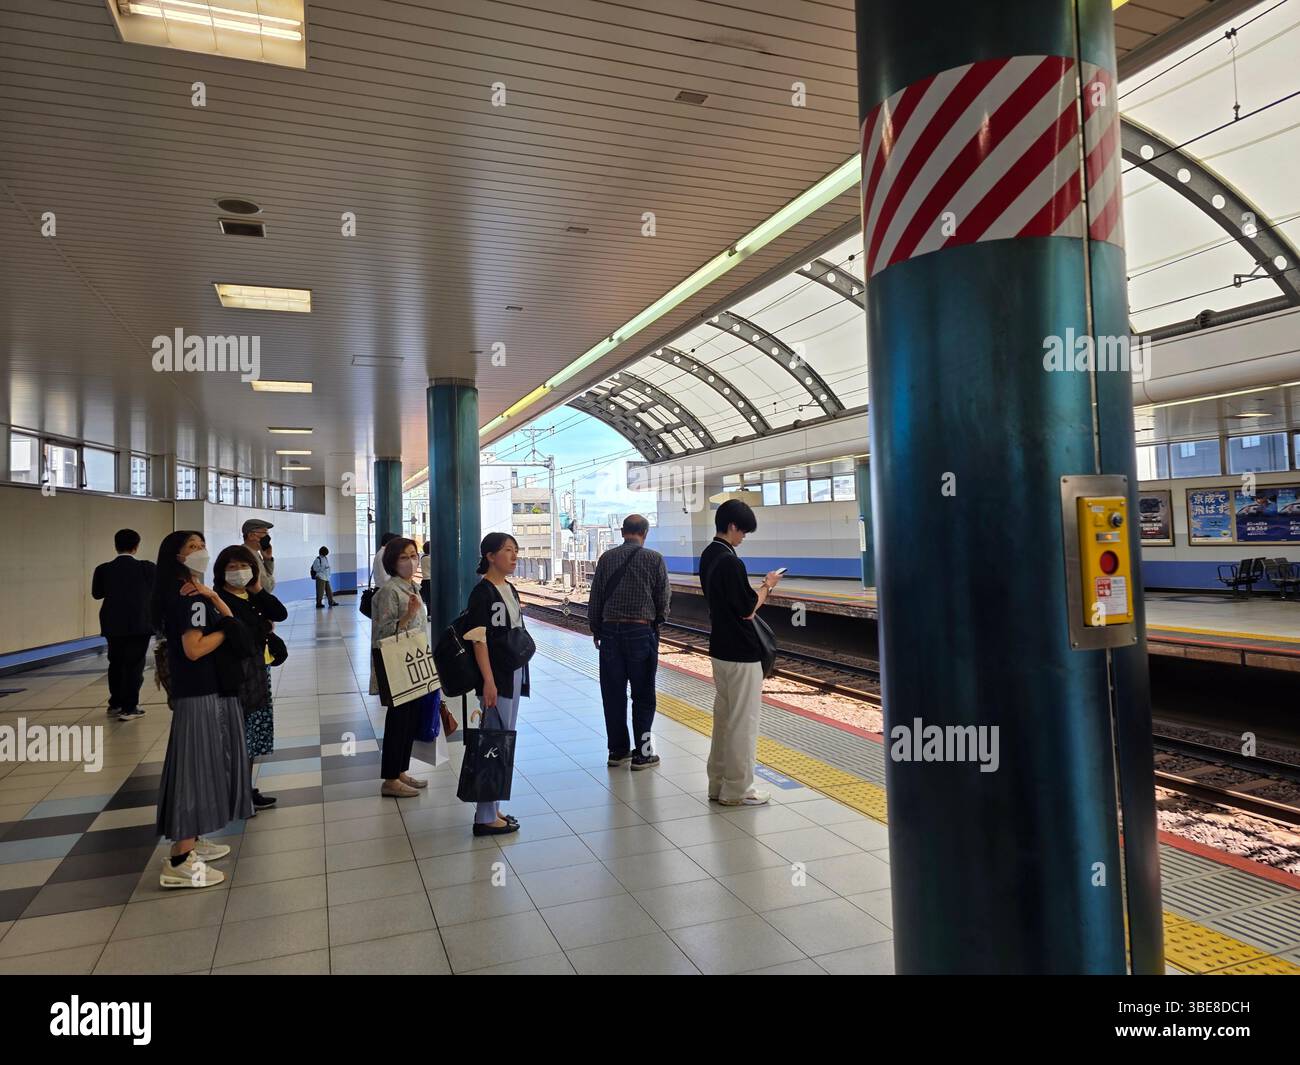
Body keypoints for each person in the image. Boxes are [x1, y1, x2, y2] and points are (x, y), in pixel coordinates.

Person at [152, 531, 254, 888]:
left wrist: (215, 600)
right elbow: (194, 648)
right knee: (196, 769)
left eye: (201, 544)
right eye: (192, 547)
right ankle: (180, 859)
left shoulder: (199, 594)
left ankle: (191, 840)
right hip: (199, 692)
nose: (201, 551)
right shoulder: (188, 600)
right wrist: (227, 630)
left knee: (206, 763)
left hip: (209, 690)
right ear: (177, 557)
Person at [698, 500, 783, 807]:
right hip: (741, 654)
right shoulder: (731, 562)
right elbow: (747, 609)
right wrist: (767, 586)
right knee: (743, 723)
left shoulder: (708, 555)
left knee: (724, 719)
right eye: (743, 531)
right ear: (732, 526)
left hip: (719, 650)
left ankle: (717, 782)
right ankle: (738, 789)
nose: (743, 537)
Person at [588, 514, 670, 770]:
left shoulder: (606, 558)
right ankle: (643, 754)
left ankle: (617, 750)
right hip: (640, 632)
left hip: (610, 632)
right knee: (643, 694)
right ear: (645, 532)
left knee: (612, 694)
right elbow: (663, 598)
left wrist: (597, 630)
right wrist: (656, 624)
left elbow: (596, 597)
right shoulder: (654, 559)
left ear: (623, 532)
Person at [463, 532, 529, 837]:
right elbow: (479, 639)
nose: (514, 556)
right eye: (507, 551)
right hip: (497, 677)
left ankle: (492, 807)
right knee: (493, 740)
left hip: (513, 672)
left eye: (515, 551)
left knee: (502, 738)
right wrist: (487, 681)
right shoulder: (483, 593)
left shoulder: (509, 588)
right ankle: (485, 817)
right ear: (490, 556)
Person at [215, 544, 287, 814]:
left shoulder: (252, 595)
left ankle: (245, 788)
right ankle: (235, 792)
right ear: (221, 572)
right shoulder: (219, 599)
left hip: (258, 671)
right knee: (238, 735)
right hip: (235, 675)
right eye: (231, 567)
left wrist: (257, 589)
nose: (238, 572)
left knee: (252, 734)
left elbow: (280, 613)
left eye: (243, 566)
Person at [369, 536, 429, 797]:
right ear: (392, 561)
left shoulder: (411, 587)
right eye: (404, 557)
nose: (411, 561)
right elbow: (381, 632)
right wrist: (406, 617)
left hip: (413, 661)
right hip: (396, 664)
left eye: (413, 555)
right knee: (398, 721)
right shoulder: (389, 591)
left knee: (409, 719)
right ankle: (390, 779)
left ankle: (401, 770)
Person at [91, 529, 156, 721]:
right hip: (140, 623)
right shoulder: (147, 568)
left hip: (112, 622)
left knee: (116, 662)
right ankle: (130, 707)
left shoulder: (103, 569)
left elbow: (97, 594)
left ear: (115, 545)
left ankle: (115, 702)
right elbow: (156, 589)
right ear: (136, 546)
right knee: (134, 664)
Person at [241, 519, 276, 593]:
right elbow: (263, 586)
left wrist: (267, 559)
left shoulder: (255, 553)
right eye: (264, 533)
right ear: (251, 535)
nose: (267, 537)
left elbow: (268, 575)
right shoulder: (244, 555)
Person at [419, 541, 432, 608]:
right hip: (429, 580)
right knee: (430, 600)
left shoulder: (423, 557)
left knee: (428, 600)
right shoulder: (429, 558)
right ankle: (430, 614)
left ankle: (429, 614)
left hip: (425, 581)